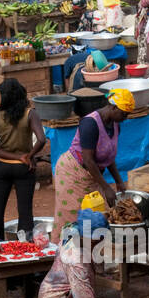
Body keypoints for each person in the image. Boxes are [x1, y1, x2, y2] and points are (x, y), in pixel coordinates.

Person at [52, 89, 133, 236]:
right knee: (74, 218)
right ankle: (68, 254)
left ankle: (93, 253)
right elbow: (88, 160)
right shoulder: (90, 123)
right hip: (73, 173)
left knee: (96, 216)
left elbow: (109, 156)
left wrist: (119, 181)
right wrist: (106, 187)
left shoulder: (115, 124)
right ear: (113, 107)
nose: (125, 118)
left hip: (92, 175)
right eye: (124, 113)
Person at [0, 78, 46, 239]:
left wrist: (17, 156)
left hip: (1, 168)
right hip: (24, 168)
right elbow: (41, 139)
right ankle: (24, 248)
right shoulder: (30, 114)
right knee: (25, 212)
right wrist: (28, 156)